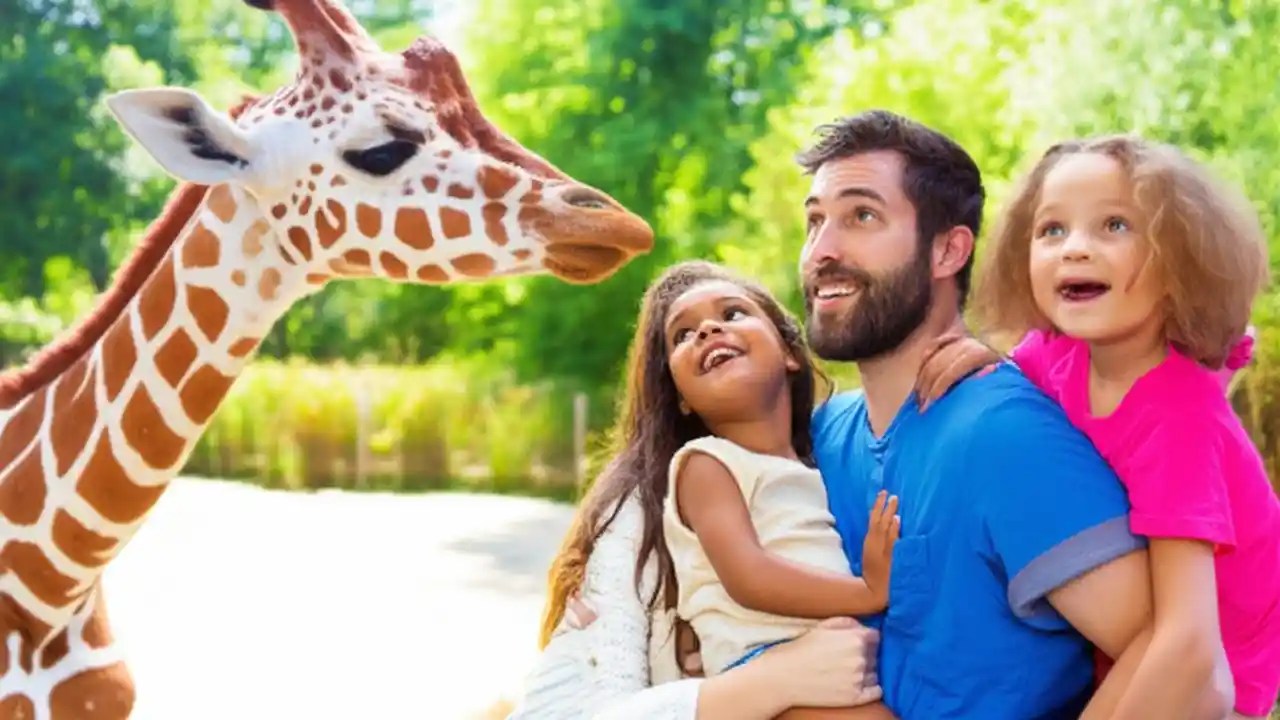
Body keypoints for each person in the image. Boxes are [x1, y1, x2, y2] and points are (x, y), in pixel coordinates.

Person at [794, 110, 1236, 719]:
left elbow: (1179, 663)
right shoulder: (823, 436)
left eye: (861, 216)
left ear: (949, 249)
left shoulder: (1004, 435)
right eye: (814, 221)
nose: (823, 250)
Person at [505, 261, 993, 719]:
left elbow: (897, 403)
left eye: (732, 313)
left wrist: (989, 360)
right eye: (683, 335)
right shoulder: (705, 467)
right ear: (678, 396)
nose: (708, 330)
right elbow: (748, 575)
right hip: (771, 661)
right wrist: (867, 592)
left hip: (830, 658)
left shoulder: (822, 450)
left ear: (788, 352)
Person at [969, 135, 1280, 720]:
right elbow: (1007, 366)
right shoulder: (1057, 357)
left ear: (1179, 259)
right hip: (1127, 652)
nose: (1074, 249)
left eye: (1114, 226)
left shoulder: (1178, 417)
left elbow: (1192, 653)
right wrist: (970, 356)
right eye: (1051, 230)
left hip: (1216, 681)